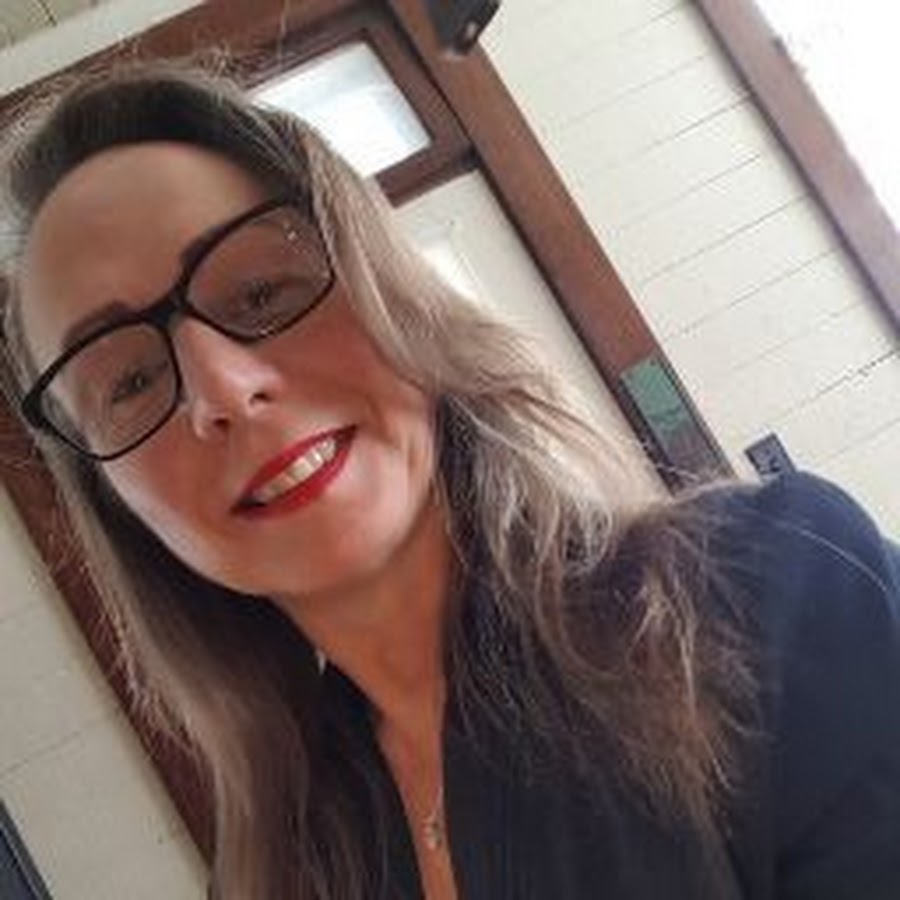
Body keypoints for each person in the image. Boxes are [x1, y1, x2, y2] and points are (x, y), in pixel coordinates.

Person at [1, 61, 899, 900]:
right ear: (114, 501)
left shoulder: (768, 593)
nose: (223, 391)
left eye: (262, 292)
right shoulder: (282, 872)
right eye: (127, 381)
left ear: (388, 288)